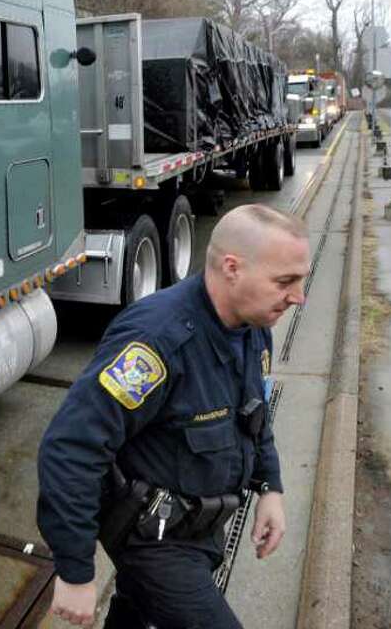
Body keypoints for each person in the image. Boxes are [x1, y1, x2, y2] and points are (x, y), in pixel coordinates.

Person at [37, 204, 309, 628]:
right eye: (285, 281)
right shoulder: (156, 341)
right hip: (152, 539)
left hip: (201, 526)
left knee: (138, 612)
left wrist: (269, 486)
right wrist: (75, 571)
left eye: (300, 280)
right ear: (232, 268)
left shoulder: (254, 328)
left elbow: (254, 416)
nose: (298, 296)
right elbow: (72, 447)